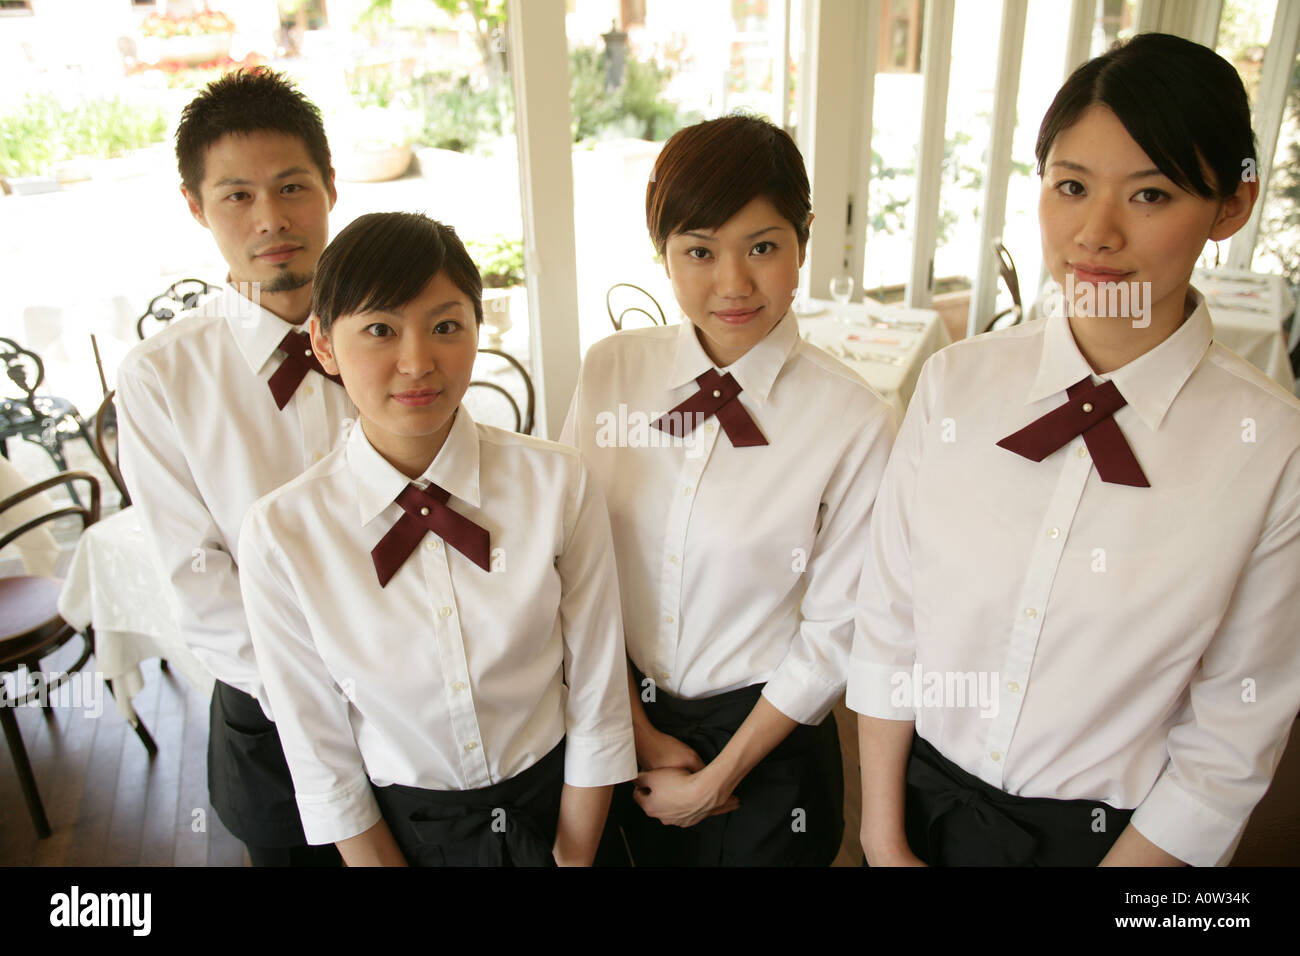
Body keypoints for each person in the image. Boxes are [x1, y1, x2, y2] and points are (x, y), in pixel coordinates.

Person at [850, 32, 1300, 867]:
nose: (1094, 234)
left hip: (1120, 848)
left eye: (1152, 195)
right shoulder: (953, 386)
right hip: (916, 811)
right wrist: (881, 839)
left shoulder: (1275, 450)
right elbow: (890, 621)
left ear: (1231, 207)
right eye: (1070, 186)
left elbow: (1232, 735)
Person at [238, 212, 636, 867]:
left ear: (479, 333)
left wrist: (571, 857)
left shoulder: (558, 482)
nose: (417, 361)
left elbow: (596, 692)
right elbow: (322, 756)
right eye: (379, 329)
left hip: (565, 814)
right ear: (324, 344)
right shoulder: (283, 534)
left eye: (446, 326)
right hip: (403, 838)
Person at [562, 114, 897, 865]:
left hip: (767, 743)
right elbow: (575, 563)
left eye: (763, 247)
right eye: (699, 252)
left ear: (804, 238)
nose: (734, 284)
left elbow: (835, 627)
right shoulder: (611, 371)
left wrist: (719, 777)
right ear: (664, 253)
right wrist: (638, 730)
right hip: (618, 713)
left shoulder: (854, 417)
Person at [116, 68, 353, 866]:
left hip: (430, 704)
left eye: (292, 187)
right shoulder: (162, 377)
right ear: (196, 207)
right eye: (237, 197)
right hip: (277, 718)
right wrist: (330, 695)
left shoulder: (399, 330)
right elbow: (199, 578)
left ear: (329, 184)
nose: (272, 219)